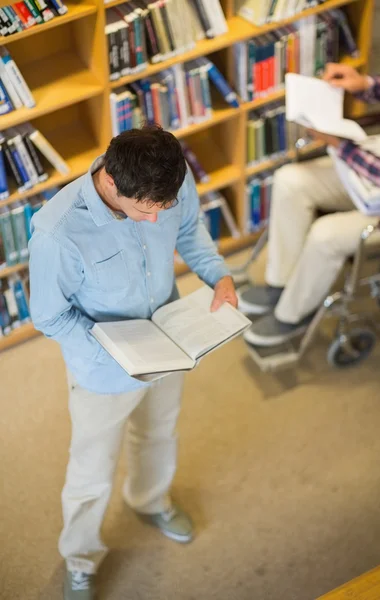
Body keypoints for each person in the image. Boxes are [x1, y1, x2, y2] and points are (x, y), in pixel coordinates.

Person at [28, 125, 237, 600]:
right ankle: (80, 558)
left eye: (161, 208)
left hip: (169, 338)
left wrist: (218, 274)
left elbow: (189, 231)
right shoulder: (57, 234)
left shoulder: (166, 185)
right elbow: (50, 315)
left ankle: (150, 500)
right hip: (103, 369)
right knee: (90, 469)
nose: (153, 221)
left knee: (160, 432)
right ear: (111, 184)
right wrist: (115, 351)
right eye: (145, 211)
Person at [241, 25, 380, 347]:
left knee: (326, 235)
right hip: (379, 170)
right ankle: (281, 283)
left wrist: (339, 146)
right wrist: (364, 84)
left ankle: (292, 316)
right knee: (290, 181)